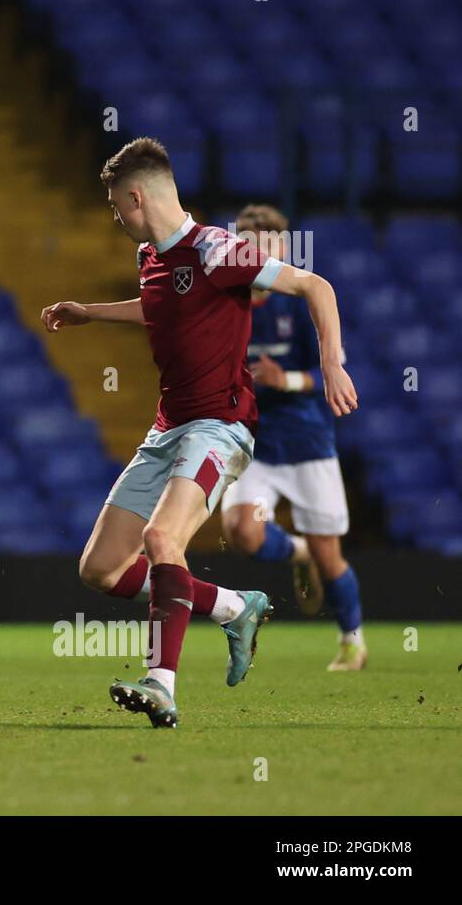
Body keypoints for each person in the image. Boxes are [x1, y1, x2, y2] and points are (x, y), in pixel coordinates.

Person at [40, 138, 357, 727]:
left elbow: (317, 287)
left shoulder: (216, 250)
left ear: (137, 196)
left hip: (220, 427)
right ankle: (235, 606)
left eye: (116, 207)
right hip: (168, 428)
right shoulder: (153, 259)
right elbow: (159, 308)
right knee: (101, 569)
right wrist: (90, 312)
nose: (115, 218)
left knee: (164, 541)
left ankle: (162, 682)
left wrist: (332, 362)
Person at [220, 204, 366, 670]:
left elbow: (328, 373)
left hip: (306, 442)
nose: (261, 255)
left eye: (270, 246)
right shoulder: (227, 304)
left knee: (330, 557)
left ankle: (352, 639)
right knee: (243, 530)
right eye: (251, 247)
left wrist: (287, 381)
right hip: (255, 444)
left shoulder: (301, 302)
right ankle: (295, 548)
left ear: (282, 250)